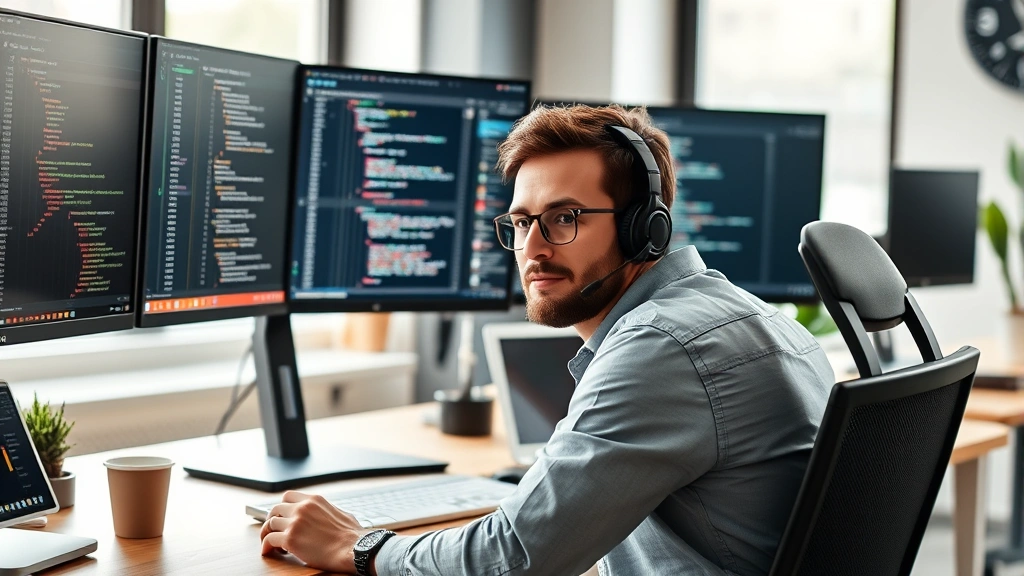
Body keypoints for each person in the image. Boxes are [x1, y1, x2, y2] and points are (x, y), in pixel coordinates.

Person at [259, 104, 834, 575]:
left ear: (644, 228)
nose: (533, 249)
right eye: (520, 222)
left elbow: (511, 558)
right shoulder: (748, 314)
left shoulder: (661, 346)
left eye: (565, 218)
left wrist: (361, 547)